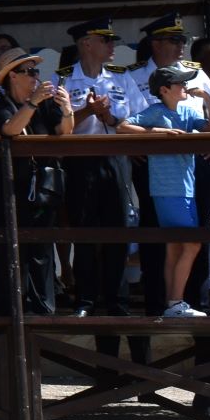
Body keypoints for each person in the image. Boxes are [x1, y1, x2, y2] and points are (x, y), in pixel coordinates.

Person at [60, 19, 141, 318]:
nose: (112, 46)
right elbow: (61, 127)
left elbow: (137, 121)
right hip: (80, 160)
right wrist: (88, 111)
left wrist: (108, 117)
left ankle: (118, 301)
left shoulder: (122, 79)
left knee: (118, 231)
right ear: (85, 43)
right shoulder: (65, 81)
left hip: (115, 158)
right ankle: (85, 299)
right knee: (84, 232)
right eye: (105, 40)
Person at [132, 64, 210, 319]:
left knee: (174, 247)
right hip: (167, 189)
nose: (184, 87)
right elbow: (124, 127)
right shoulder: (155, 111)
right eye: (180, 83)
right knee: (192, 244)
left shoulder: (185, 110)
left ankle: (172, 304)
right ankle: (175, 301)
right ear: (164, 90)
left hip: (186, 188)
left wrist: (207, 100)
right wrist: (159, 133)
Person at [0, 45, 67, 315]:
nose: (35, 76)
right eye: (29, 71)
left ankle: (44, 306)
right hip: (14, 188)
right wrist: (32, 103)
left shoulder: (44, 103)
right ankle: (15, 307)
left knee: (42, 248)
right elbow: (9, 128)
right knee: (15, 249)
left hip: (42, 188)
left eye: (36, 71)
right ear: (12, 76)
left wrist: (66, 109)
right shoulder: (1, 104)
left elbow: (63, 131)